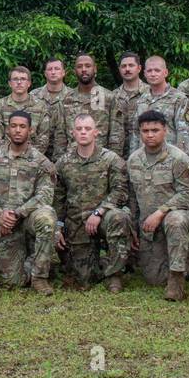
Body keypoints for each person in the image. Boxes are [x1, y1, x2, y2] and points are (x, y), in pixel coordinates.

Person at [0, 111, 58, 295]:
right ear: (7, 129)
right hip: (5, 223)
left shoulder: (41, 162)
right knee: (14, 281)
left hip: (29, 218)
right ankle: (36, 258)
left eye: (22, 127)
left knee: (46, 218)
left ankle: (40, 277)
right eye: (13, 126)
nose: (17, 130)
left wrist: (17, 213)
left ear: (30, 130)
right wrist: (0, 214)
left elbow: (45, 194)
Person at [125, 110, 189, 300]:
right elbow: (132, 198)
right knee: (153, 278)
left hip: (174, 220)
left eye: (155, 130)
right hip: (148, 226)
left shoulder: (178, 158)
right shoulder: (134, 160)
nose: (150, 135)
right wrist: (134, 228)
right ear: (139, 132)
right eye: (145, 130)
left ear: (165, 130)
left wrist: (161, 212)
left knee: (175, 219)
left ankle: (176, 281)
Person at [54, 112, 131, 291]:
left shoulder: (111, 160)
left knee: (119, 218)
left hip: (103, 218)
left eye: (87, 129)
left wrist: (99, 211)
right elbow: (58, 198)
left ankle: (115, 275)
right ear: (72, 133)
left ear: (96, 132)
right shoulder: (63, 163)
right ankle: (102, 263)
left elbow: (120, 191)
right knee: (84, 279)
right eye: (79, 129)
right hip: (77, 223)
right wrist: (58, 226)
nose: (83, 132)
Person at [126, 55, 189, 158]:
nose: (153, 74)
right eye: (149, 71)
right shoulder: (141, 100)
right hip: (144, 160)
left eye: (157, 70)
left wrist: (181, 160)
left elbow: (185, 134)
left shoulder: (179, 99)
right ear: (145, 74)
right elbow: (135, 133)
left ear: (165, 72)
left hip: (169, 159)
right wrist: (133, 158)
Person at [53, 53, 115, 157]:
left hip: (101, 160)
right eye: (79, 66)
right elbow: (60, 136)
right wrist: (59, 161)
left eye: (88, 66)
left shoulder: (108, 97)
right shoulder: (66, 100)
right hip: (72, 161)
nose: (84, 69)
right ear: (74, 71)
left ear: (95, 69)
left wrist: (113, 161)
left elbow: (116, 134)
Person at [0, 66, 54, 158]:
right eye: (15, 79)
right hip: (5, 159)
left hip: (32, 160)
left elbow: (43, 139)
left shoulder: (41, 107)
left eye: (23, 79)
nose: (19, 82)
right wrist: (9, 155)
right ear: (9, 83)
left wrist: (27, 157)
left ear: (29, 83)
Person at [109, 51, 147, 159]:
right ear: (119, 69)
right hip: (118, 156)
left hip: (144, 154)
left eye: (131, 65)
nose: (127, 69)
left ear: (139, 68)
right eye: (123, 66)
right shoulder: (112, 97)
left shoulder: (150, 93)